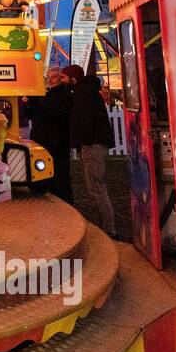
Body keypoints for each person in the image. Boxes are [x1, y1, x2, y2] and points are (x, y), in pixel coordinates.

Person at [66, 64, 120, 238]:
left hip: (92, 145)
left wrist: (84, 143)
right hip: (94, 143)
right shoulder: (87, 91)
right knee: (96, 186)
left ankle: (109, 229)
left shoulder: (83, 93)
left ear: (73, 78)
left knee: (96, 187)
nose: (62, 81)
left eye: (64, 77)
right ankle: (106, 225)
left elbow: (83, 120)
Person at [27, 67, 75, 204]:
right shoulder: (47, 95)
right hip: (42, 140)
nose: (50, 80)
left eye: (53, 77)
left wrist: (36, 100)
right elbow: (33, 114)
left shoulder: (65, 96)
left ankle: (66, 205)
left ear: (61, 79)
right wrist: (30, 104)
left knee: (60, 177)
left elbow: (52, 113)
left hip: (58, 142)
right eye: (48, 77)